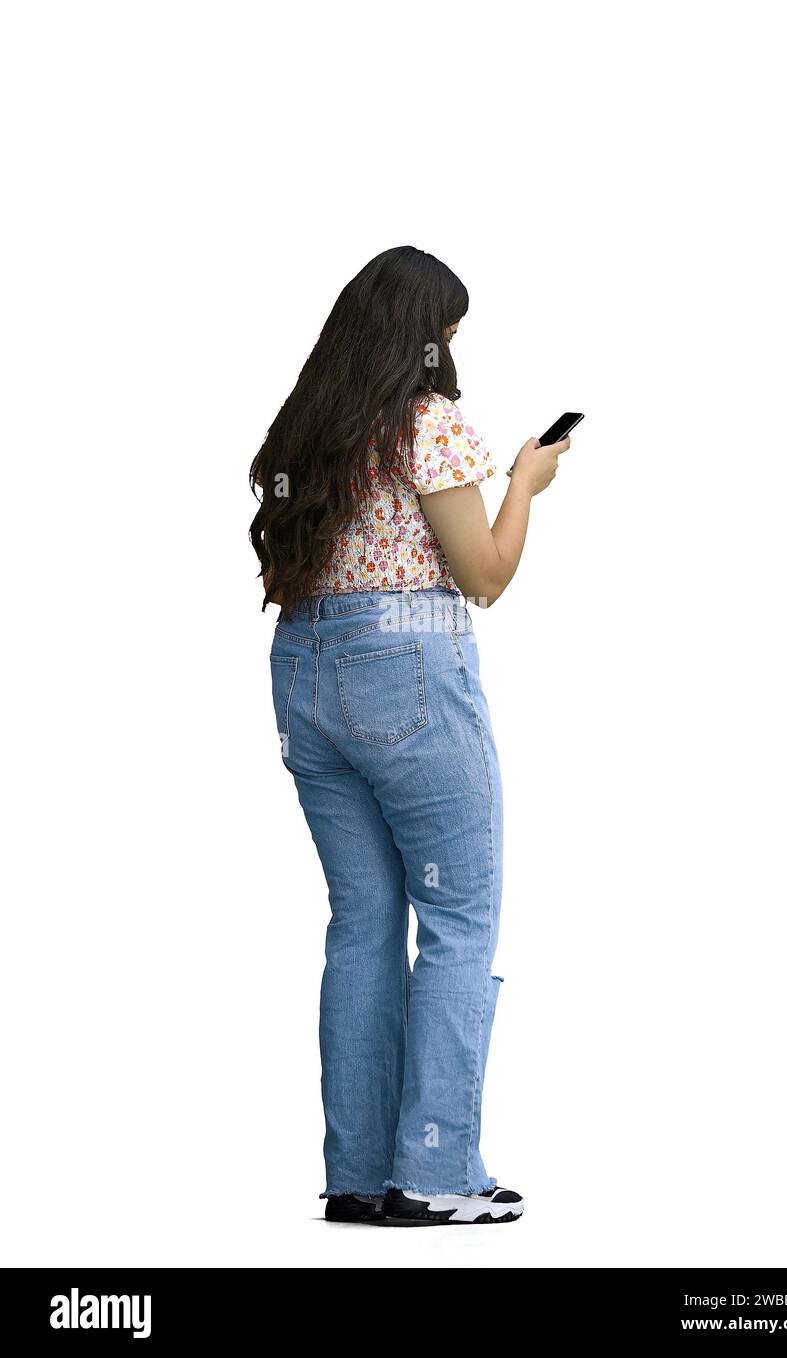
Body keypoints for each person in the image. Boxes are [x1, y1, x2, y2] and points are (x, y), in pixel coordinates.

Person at [250, 247, 570, 1224]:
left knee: (362, 925)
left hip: (305, 673)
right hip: (406, 676)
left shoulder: (309, 428)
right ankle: (433, 1172)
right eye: (453, 327)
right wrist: (524, 482)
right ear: (426, 333)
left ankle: (356, 1176)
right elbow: (481, 576)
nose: (456, 345)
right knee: (459, 922)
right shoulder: (427, 424)